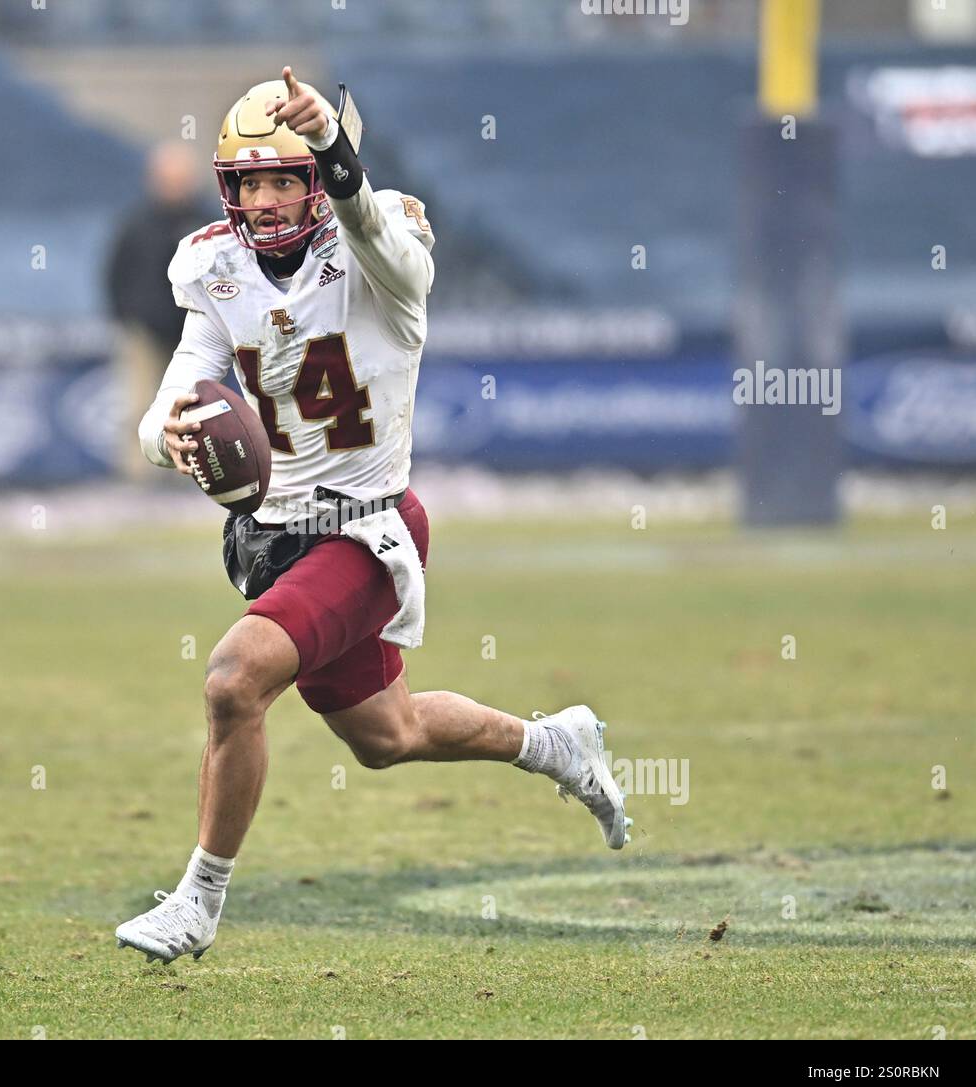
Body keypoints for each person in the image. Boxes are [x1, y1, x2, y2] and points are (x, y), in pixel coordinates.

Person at [117, 67, 631, 965]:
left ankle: (197, 901)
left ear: (320, 176)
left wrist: (336, 149)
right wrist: (176, 440)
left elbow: (372, 228)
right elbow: (172, 400)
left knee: (235, 680)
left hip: (366, 528)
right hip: (273, 537)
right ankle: (556, 743)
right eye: (251, 182)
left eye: (287, 177)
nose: (269, 201)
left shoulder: (381, 251)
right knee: (387, 736)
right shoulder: (213, 267)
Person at [104, 141, 210, 481]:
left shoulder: (207, 224)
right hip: (145, 333)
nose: (174, 185)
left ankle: (207, 477)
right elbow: (115, 275)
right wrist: (128, 318)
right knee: (139, 406)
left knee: (203, 412)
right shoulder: (136, 224)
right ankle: (136, 481)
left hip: (197, 332)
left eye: (180, 177)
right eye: (167, 177)